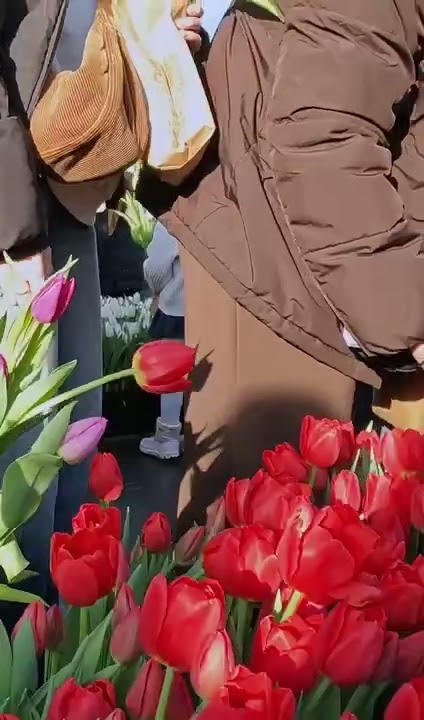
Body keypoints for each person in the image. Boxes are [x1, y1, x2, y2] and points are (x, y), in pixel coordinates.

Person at [0, 0, 203, 608]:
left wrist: (146, 38)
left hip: (57, 177)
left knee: (64, 451)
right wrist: (8, 232)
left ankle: (40, 675)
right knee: (3, 475)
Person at [140, 0, 424, 529]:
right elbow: (323, 139)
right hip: (272, 226)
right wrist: (409, 321)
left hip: (331, 218)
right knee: (255, 532)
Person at [139, 222, 185, 460]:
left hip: (178, 303)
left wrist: (155, 286)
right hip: (211, 306)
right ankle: (196, 430)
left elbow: (157, 266)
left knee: (173, 372)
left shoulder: (173, 213)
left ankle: (167, 436)